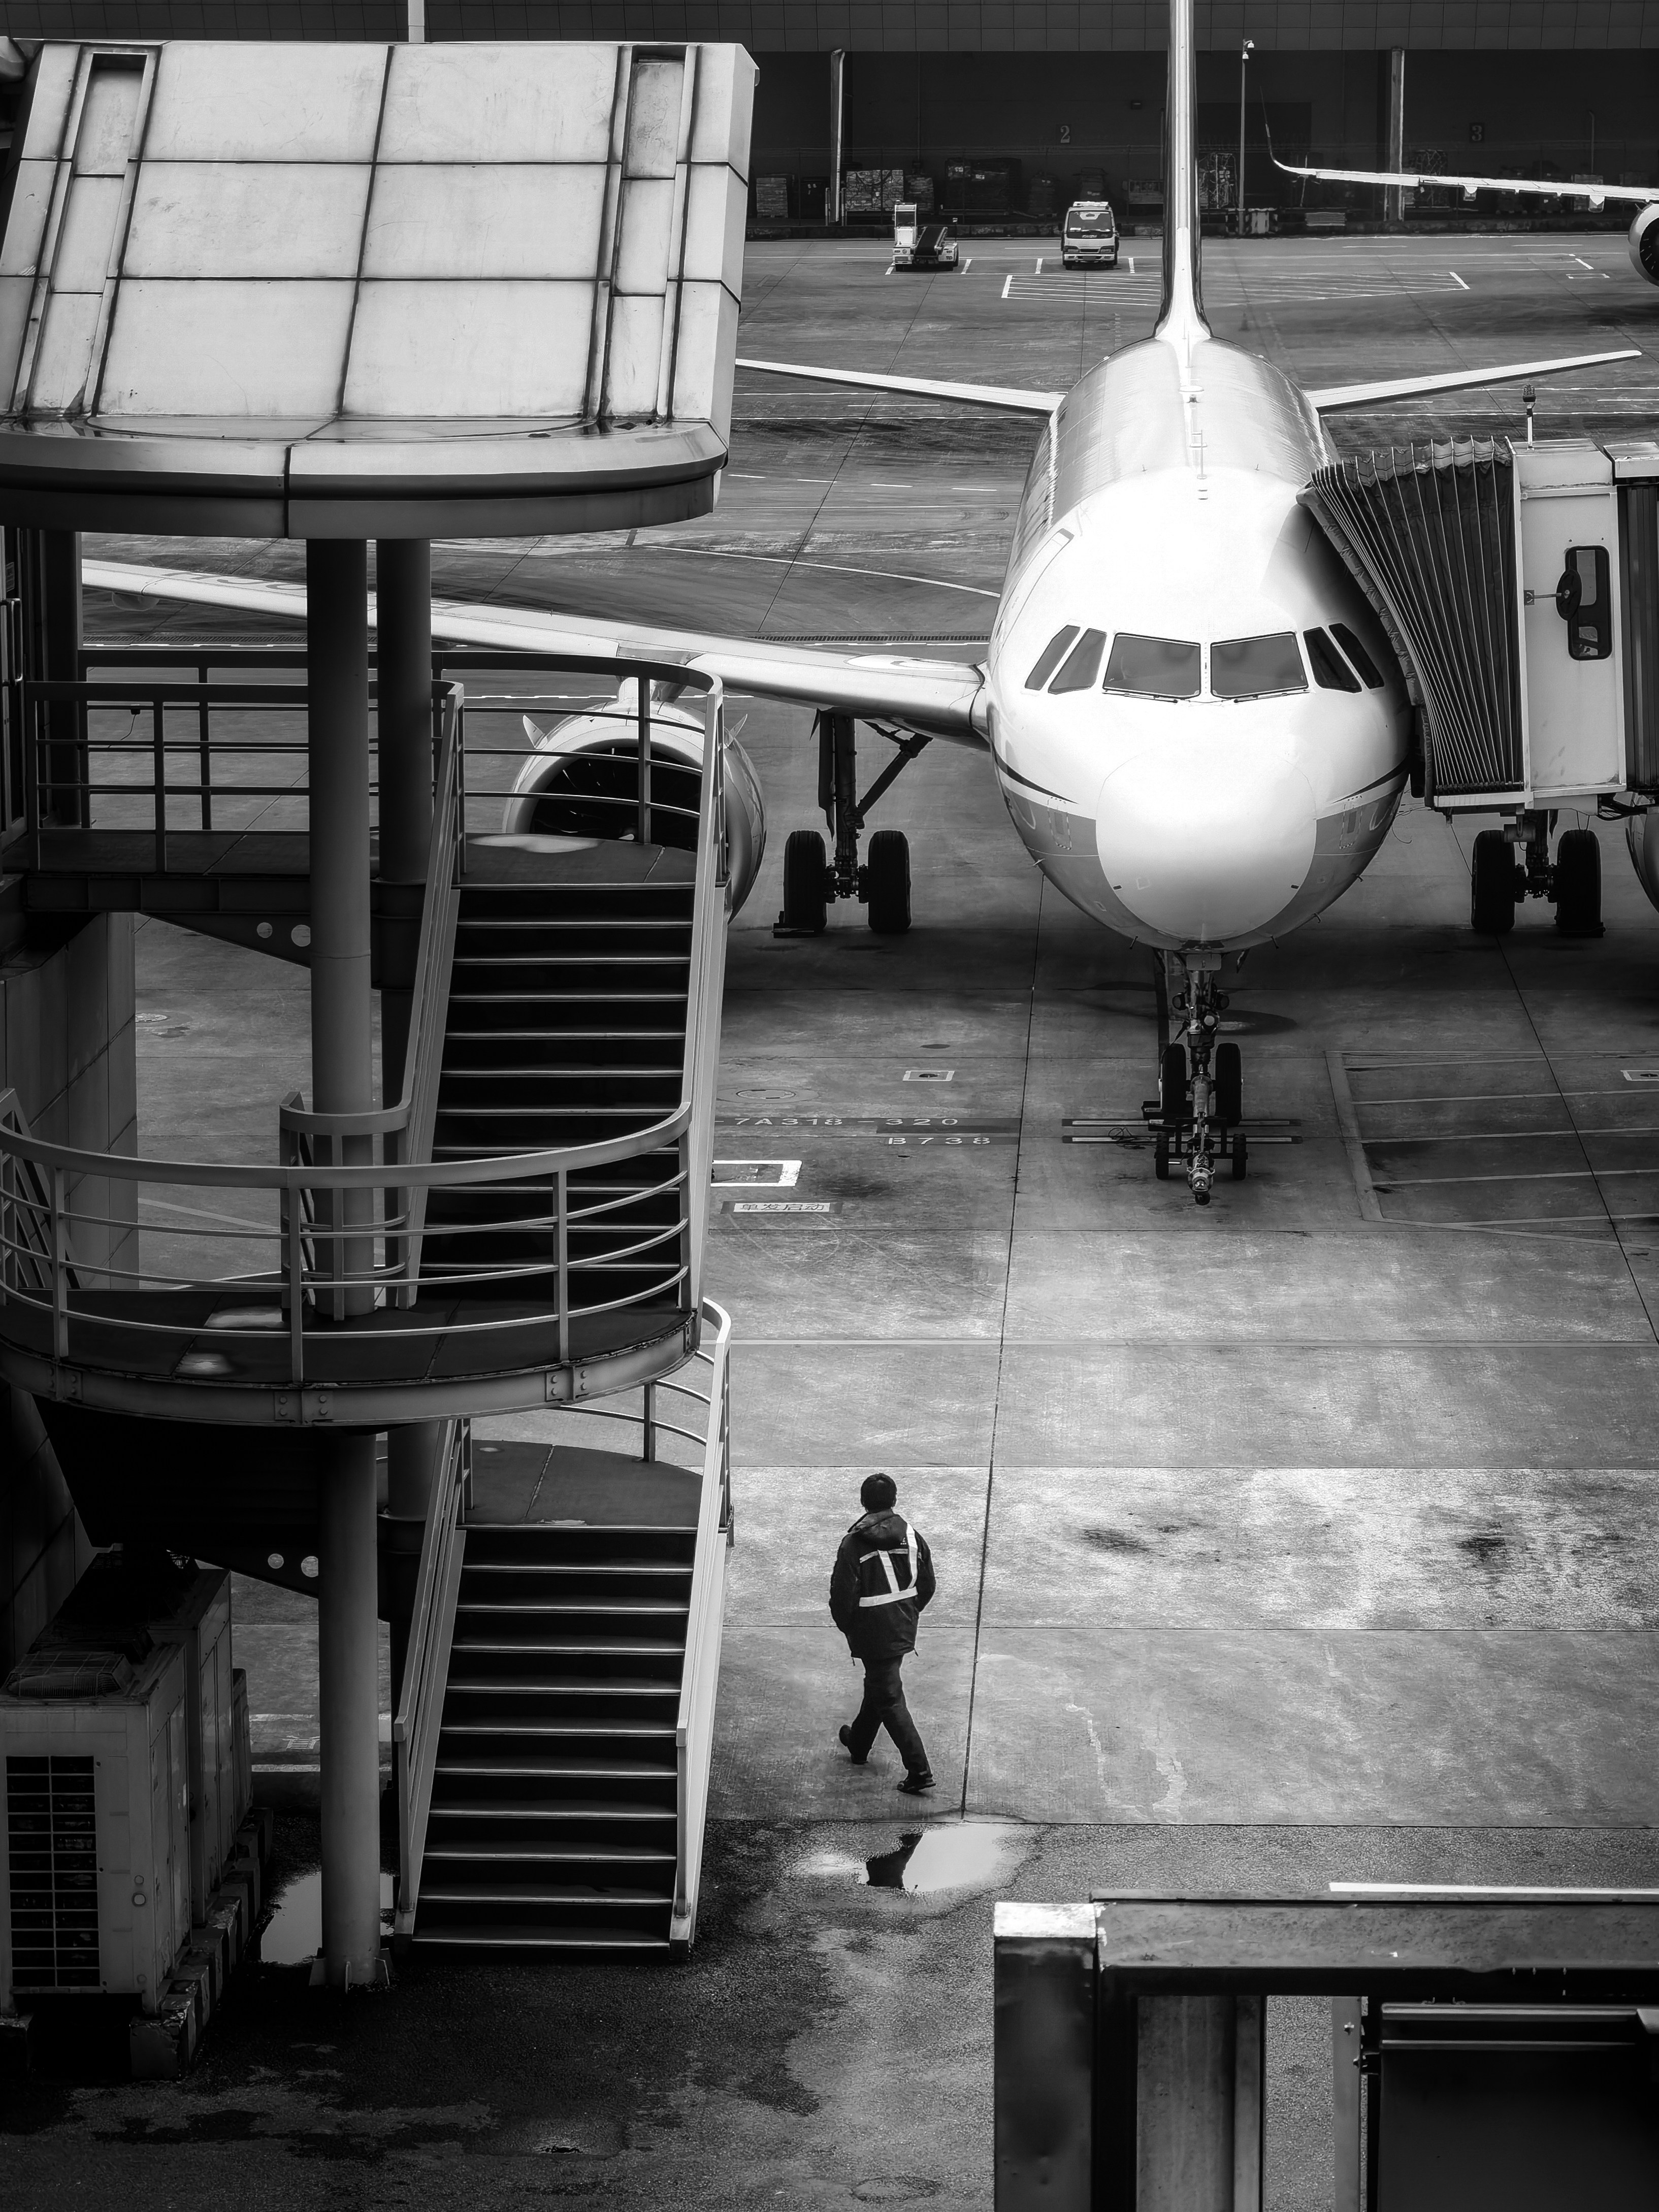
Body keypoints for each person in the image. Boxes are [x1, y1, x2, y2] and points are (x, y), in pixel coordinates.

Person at [829, 1473, 936, 1794]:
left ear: (864, 1503)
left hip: (870, 1630)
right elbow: (927, 1586)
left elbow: (842, 1596)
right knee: (880, 1686)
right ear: (893, 1501)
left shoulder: (852, 1544)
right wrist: (907, 1614)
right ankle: (858, 1744)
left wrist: (851, 1628)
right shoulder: (914, 1537)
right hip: (902, 1625)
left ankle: (919, 1771)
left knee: (888, 1697)